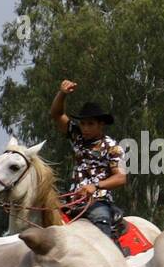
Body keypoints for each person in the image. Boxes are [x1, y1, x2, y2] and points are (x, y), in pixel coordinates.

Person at [49, 79, 129, 252]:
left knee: (100, 218)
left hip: (98, 201)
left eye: (90, 124)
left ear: (101, 125)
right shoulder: (77, 137)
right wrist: (62, 93)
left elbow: (121, 177)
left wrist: (96, 185)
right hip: (71, 199)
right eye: (83, 123)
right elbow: (56, 114)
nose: (85, 128)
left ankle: (111, 255)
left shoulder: (112, 147)